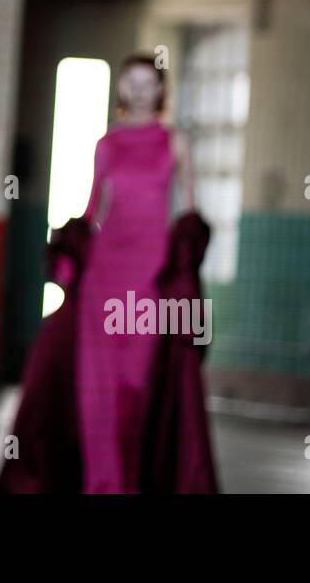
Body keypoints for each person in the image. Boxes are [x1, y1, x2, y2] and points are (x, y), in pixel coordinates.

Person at [75, 53, 216, 492]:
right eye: (129, 82)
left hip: (150, 273)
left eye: (146, 82)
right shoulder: (107, 144)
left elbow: (189, 206)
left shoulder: (176, 141)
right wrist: (70, 259)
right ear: (120, 89)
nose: (137, 90)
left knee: (138, 380)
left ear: (160, 89)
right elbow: (91, 209)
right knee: (97, 387)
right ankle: (102, 483)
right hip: (104, 270)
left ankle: (135, 480)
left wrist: (186, 261)